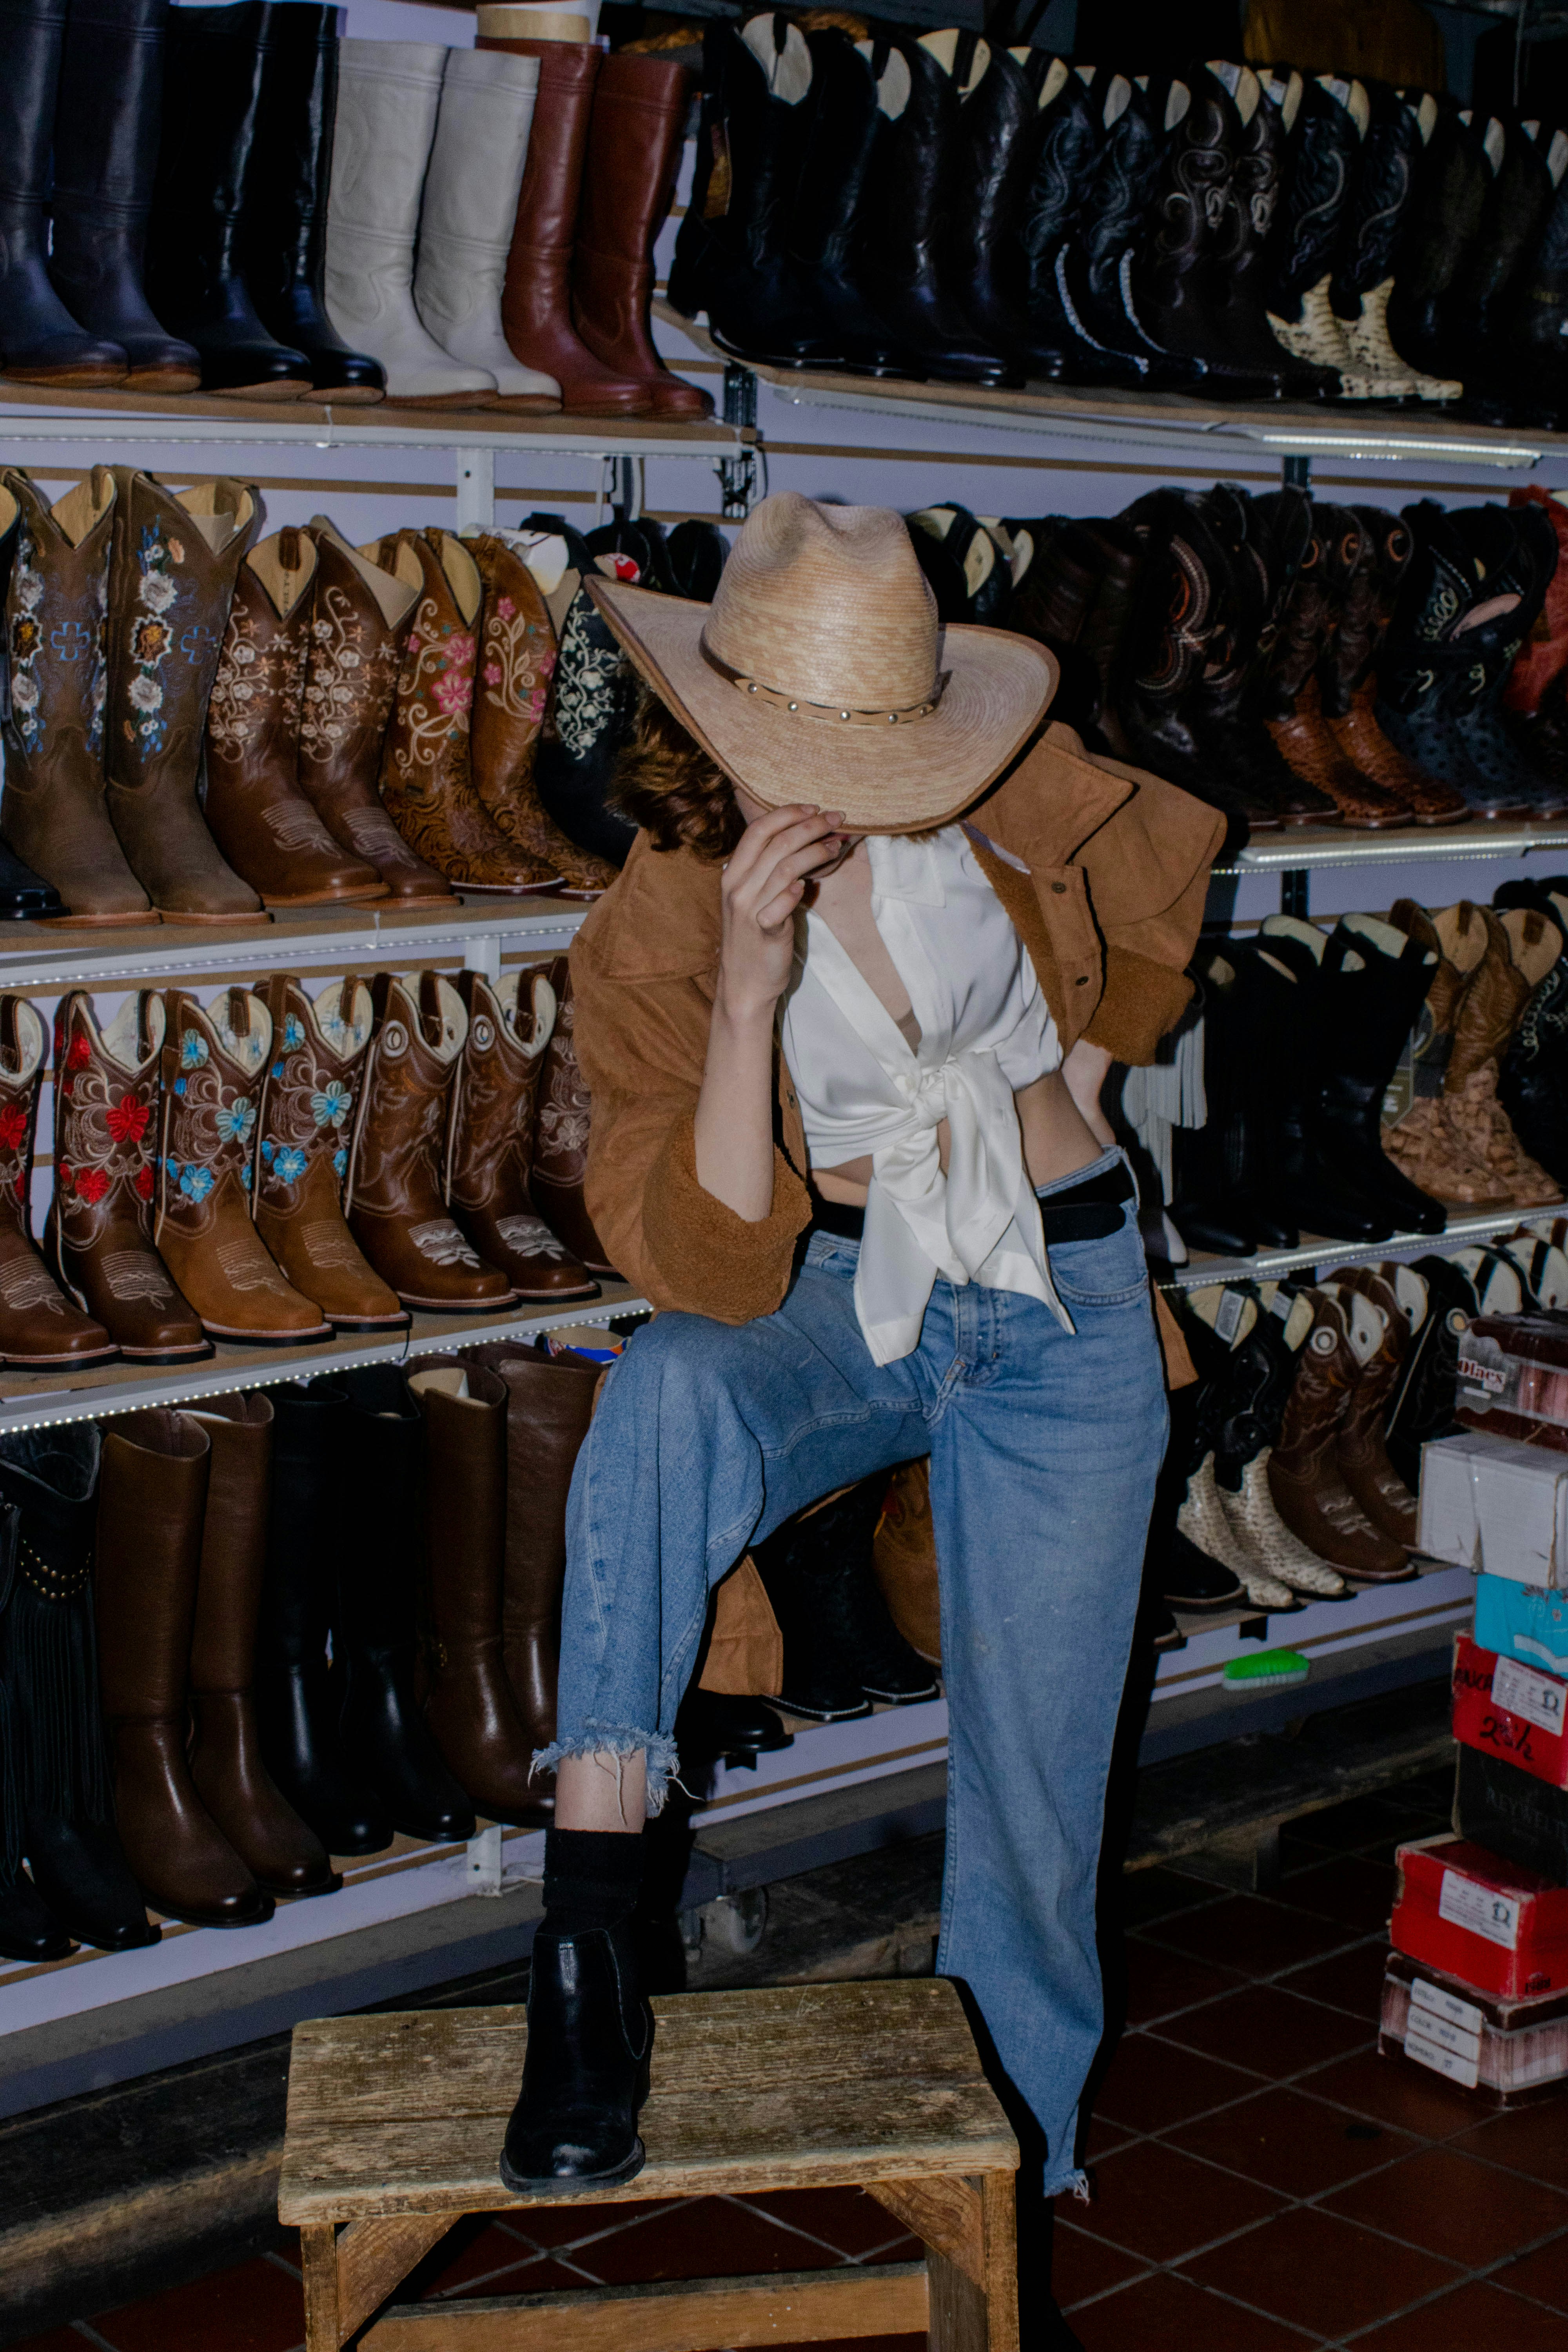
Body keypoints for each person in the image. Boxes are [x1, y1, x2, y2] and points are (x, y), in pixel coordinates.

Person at [501, 495, 1222, 2230]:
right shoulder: (665, 915)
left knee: (1039, 1790)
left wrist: (1085, 1095)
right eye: (817, 741)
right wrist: (753, 988)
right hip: (832, 1294)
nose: (853, 780)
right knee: (664, 1390)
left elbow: (1163, 858)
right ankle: (587, 1961)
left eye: (883, 738)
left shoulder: (1004, 792)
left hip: (1059, 1299)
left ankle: (1011, 2188)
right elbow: (710, 1263)